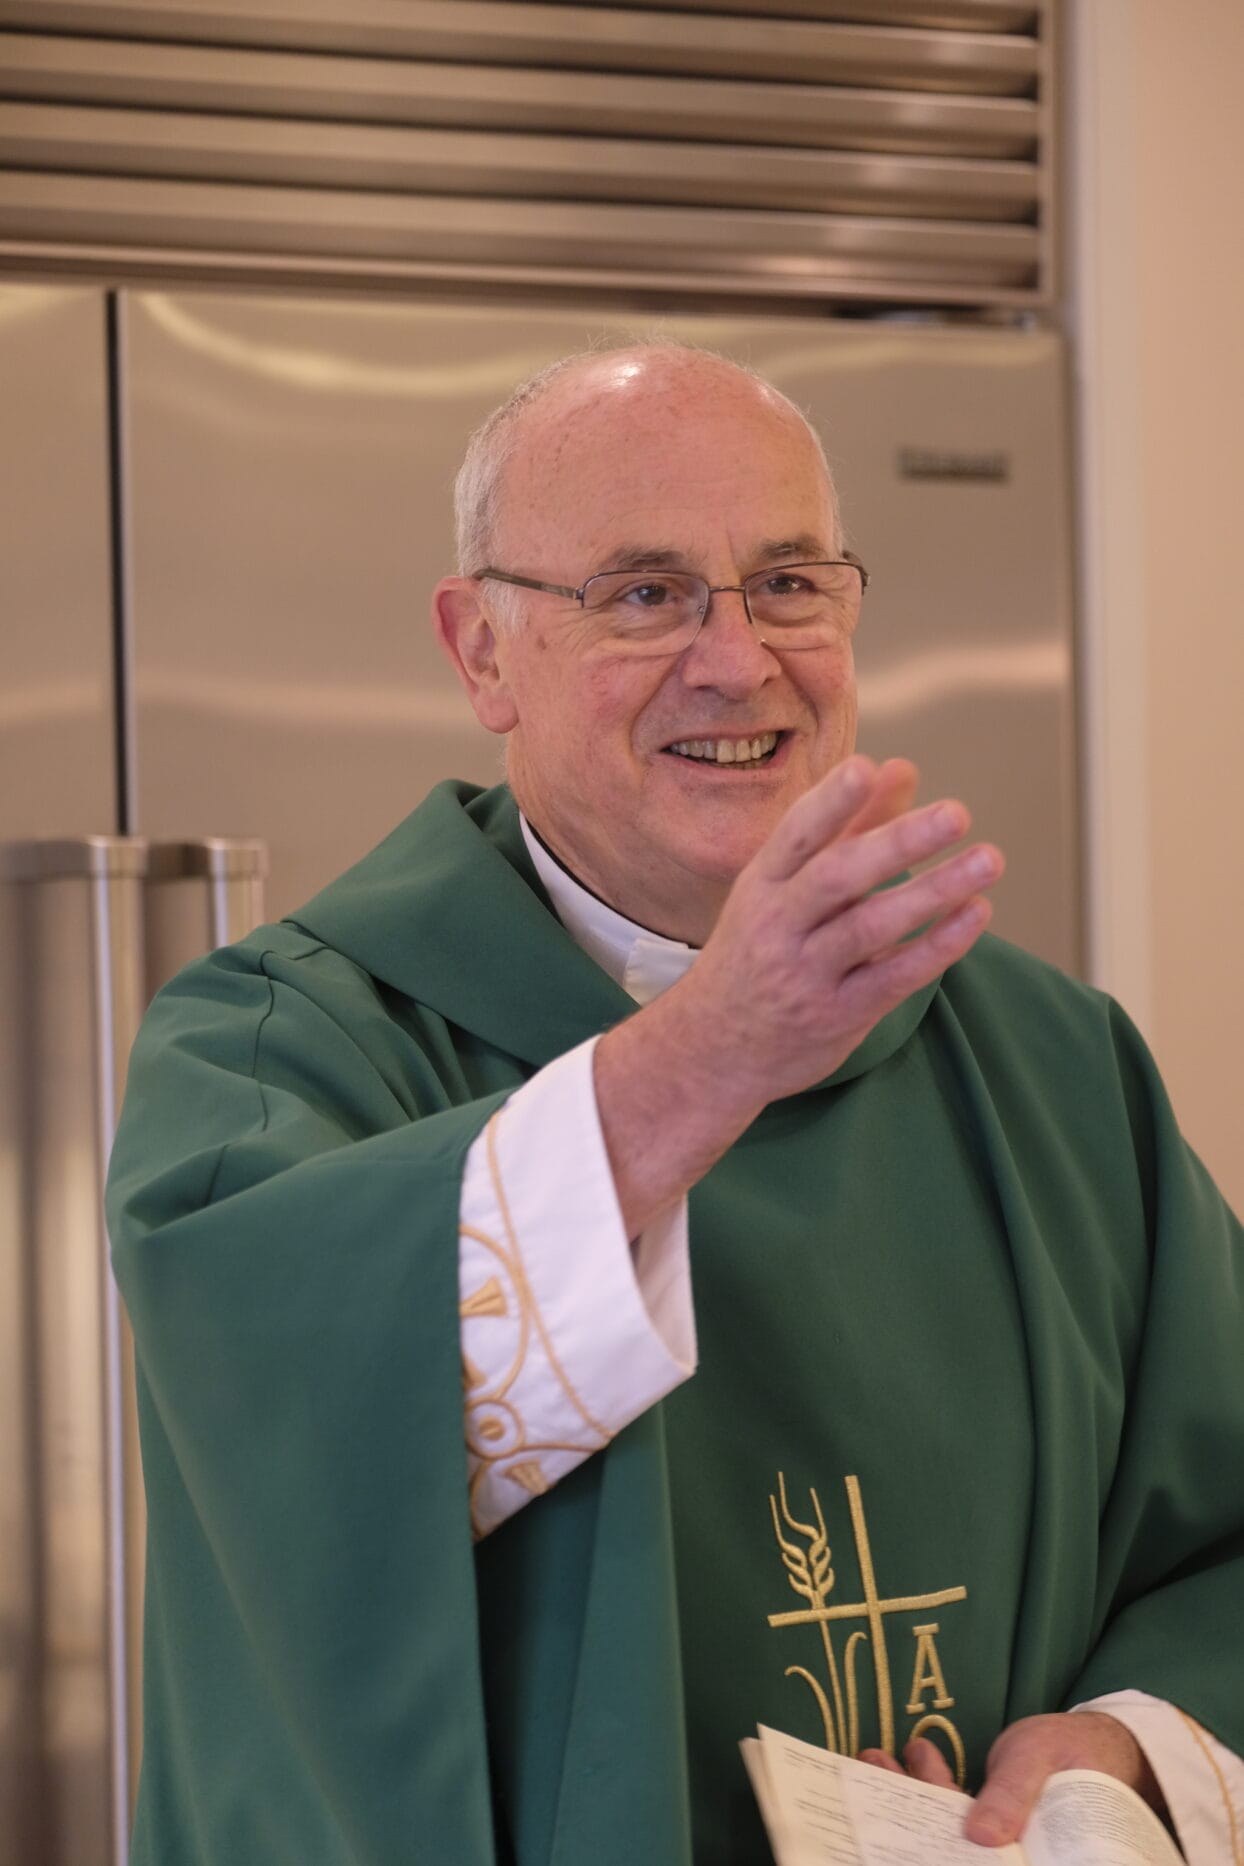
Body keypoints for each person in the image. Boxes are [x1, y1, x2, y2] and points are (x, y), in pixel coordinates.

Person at [106, 345, 1244, 1865]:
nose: (737, 658)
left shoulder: (1058, 1070)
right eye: (645, 594)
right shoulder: (275, 1051)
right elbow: (292, 1481)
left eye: (788, 583)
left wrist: (1118, 1749)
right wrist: (708, 1053)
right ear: (481, 653)